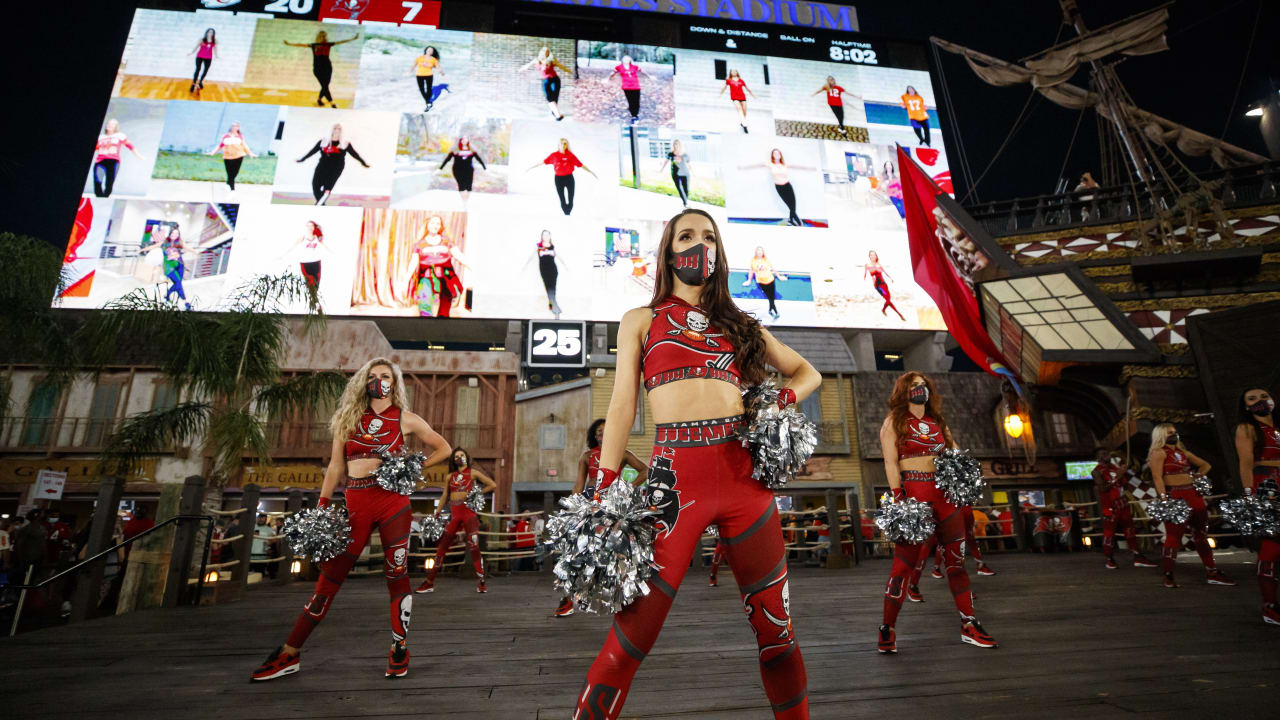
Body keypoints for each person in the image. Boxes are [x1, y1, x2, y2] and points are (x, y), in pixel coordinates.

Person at [573, 208, 817, 719]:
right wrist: (602, 489)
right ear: (668, 252)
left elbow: (806, 373)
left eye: (708, 237)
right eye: (686, 236)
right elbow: (622, 406)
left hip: (745, 481)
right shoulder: (641, 320)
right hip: (673, 486)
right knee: (627, 643)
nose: (698, 245)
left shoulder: (741, 325)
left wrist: (776, 404)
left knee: (777, 637)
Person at [251, 357, 452, 681]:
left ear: (394, 383)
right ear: (363, 381)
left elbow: (444, 448)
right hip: (356, 501)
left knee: (397, 574)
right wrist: (322, 505)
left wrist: (411, 466)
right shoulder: (348, 418)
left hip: (393, 502)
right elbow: (335, 467)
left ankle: (399, 648)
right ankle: (290, 652)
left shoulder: (406, 418)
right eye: (372, 376)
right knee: (330, 576)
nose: (378, 381)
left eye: (385, 376)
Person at [878, 372, 997, 653]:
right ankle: (887, 629)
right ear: (903, 390)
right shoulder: (894, 421)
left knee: (956, 563)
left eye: (923, 385)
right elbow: (890, 462)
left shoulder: (938, 421)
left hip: (945, 497)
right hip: (914, 495)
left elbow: (956, 453)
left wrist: (966, 482)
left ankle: (969, 623)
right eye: (914, 385)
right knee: (902, 568)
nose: (920, 389)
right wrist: (898, 497)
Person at [555, 418, 649, 617]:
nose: (602, 434)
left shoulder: (622, 453)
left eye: (606, 430)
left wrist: (627, 488)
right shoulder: (587, 456)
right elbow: (578, 485)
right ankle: (567, 599)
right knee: (577, 548)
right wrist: (570, 508)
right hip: (590, 502)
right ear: (594, 435)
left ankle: (624, 598)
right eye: (598, 431)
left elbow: (645, 470)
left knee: (618, 549)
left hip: (612, 504)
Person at [1147, 423, 1234, 589]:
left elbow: (1206, 465)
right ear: (1161, 435)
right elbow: (1157, 477)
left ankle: (1212, 572)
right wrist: (1164, 499)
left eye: (1174, 432)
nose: (1174, 434)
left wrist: (1196, 477)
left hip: (1194, 495)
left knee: (1201, 534)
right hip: (1175, 496)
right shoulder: (1158, 453)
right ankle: (1168, 575)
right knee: (1174, 537)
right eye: (1169, 432)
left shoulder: (1183, 452)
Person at [417, 447, 498, 594]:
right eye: (456, 456)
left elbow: (492, 484)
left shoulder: (473, 473)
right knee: (442, 547)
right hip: (454, 514)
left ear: (466, 457)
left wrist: (475, 494)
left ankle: (481, 582)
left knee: (474, 546)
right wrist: (437, 513)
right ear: (453, 460)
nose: (459, 457)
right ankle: (429, 582)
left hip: (468, 514)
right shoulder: (450, 476)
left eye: (461, 455)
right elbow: (444, 496)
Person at [1233, 387, 1280, 624]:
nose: (1259, 401)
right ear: (1246, 407)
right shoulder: (1247, 428)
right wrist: (1250, 495)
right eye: (1252, 399)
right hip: (1268, 484)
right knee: (1272, 543)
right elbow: (1245, 463)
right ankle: (1270, 605)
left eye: (1263, 396)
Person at [1092, 449, 1157, 569]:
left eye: (1107, 453)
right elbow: (1103, 489)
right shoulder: (1096, 471)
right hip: (1110, 505)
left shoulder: (1114, 467)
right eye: (1104, 454)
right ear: (1097, 458)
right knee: (1109, 532)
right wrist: (1118, 476)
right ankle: (1109, 559)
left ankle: (1138, 557)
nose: (1107, 456)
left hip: (1122, 502)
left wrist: (1123, 473)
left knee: (1129, 529)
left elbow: (1124, 486)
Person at [297, 123, 369, 206]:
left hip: (336, 168)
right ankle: (322, 204)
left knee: (327, 187)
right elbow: (313, 151)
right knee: (315, 185)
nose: (337, 130)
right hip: (322, 166)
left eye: (339, 129)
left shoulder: (345, 144)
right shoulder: (323, 142)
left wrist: (363, 162)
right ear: (332, 130)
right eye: (335, 128)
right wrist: (303, 159)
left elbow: (355, 154)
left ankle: (320, 204)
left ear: (342, 131)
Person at [284, 30, 359, 108]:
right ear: (319, 37)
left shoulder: (328, 44)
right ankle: (332, 103)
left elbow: (341, 42)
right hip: (317, 69)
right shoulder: (314, 45)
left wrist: (352, 39)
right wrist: (289, 44)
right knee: (325, 86)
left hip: (328, 67)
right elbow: (300, 45)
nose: (324, 37)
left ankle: (319, 100)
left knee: (325, 86)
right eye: (322, 36)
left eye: (325, 36)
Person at [738, 149, 813, 227]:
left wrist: (808, 168)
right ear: (772, 156)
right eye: (774, 153)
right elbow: (758, 165)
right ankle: (797, 221)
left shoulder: (785, 164)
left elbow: (797, 166)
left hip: (788, 186)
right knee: (790, 206)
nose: (776, 154)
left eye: (778, 153)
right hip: (779, 188)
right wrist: (743, 167)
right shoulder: (770, 164)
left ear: (780, 155)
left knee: (793, 206)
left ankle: (790, 221)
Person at [413, 215, 468, 318]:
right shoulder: (419, 244)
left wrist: (473, 268)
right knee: (424, 301)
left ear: (441, 226)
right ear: (427, 225)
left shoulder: (447, 241)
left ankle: (442, 321)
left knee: (445, 304)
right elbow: (413, 262)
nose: (435, 226)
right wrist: (406, 279)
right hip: (426, 276)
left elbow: (459, 255)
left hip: (446, 275)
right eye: (433, 223)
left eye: (438, 223)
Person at [527, 138, 597, 216]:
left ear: (567, 145)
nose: (563, 145)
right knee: (562, 199)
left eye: (565, 144)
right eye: (561, 143)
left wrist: (591, 172)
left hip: (569, 179)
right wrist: (531, 167)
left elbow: (580, 165)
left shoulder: (570, 155)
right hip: (558, 179)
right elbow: (543, 162)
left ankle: (568, 214)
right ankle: (566, 215)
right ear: (558, 145)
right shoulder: (554, 155)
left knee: (570, 200)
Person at [92, 119, 144, 198]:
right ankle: (99, 196)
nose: (110, 126)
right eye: (109, 124)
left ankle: (105, 196)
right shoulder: (101, 137)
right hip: (100, 161)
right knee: (97, 180)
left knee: (109, 182)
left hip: (113, 161)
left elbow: (130, 146)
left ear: (116, 127)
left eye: (112, 124)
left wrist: (139, 156)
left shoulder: (120, 136)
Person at [285, 221, 331, 303]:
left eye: (311, 226)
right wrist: (283, 255)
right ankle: (313, 301)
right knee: (310, 282)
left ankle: (314, 301)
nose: (310, 228)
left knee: (316, 282)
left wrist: (334, 254)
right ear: (306, 227)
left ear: (314, 227)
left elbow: (326, 246)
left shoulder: (317, 238)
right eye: (308, 226)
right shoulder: (302, 238)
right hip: (305, 263)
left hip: (316, 262)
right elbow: (292, 247)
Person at [520, 47, 571, 121]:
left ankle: (556, 114)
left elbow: (562, 67)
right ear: (542, 53)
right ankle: (558, 115)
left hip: (555, 80)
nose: (547, 53)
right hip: (546, 81)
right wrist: (522, 69)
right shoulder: (536, 60)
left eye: (548, 52)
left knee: (554, 98)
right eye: (545, 52)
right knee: (549, 98)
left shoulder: (552, 60)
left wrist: (569, 71)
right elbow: (528, 65)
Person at [522, 230, 565, 319]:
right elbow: (531, 255)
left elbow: (559, 256)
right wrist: (525, 265)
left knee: (553, 288)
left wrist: (565, 265)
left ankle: (552, 306)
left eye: (547, 235)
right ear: (542, 236)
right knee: (548, 288)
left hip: (553, 270)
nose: (546, 237)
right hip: (544, 270)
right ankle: (554, 308)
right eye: (544, 235)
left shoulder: (552, 246)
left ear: (550, 236)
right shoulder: (539, 246)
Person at [206, 122, 255, 191]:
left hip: (238, 156)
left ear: (238, 128)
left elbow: (244, 146)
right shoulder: (226, 136)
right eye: (234, 126)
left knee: (235, 172)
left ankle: (229, 186)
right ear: (231, 127)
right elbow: (220, 145)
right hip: (228, 157)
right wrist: (213, 153)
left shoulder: (240, 136)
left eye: (237, 126)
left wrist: (250, 153)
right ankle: (231, 188)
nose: (235, 127)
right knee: (229, 173)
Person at [438, 137, 486, 206]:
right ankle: (464, 201)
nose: (464, 141)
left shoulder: (472, 151)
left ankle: (466, 200)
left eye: (466, 139)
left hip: (469, 171)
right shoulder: (455, 151)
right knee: (461, 185)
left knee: (469, 186)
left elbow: (479, 159)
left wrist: (484, 168)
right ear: (460, 141)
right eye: (463, 139)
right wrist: (440, 168)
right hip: (458, 170)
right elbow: (447, 159)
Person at [743, 246, 784, 320]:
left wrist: (779, 276)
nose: (759, 252)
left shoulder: (766, 259)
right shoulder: (753, 261)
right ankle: (773, 310)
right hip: (761, 282)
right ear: (756, 252)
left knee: (772, 297)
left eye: (761, 251)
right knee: (769, 296)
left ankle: (772, 310)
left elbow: (773, 268)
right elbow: (751, 271)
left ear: (763, 252)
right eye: (758, 250)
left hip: (770, 280)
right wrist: (749, 280)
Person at [863, 251, 905, 321]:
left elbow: (885, 272)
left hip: (884, 284)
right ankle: (900, 314)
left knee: (888, 299)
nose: (873, 256)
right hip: (878, 286)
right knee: (887, 300)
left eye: (874, 255)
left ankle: (883, 310)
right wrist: (867, 280)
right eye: (871, 255)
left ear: (876, 256)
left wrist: (890, 278)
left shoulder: (878, 265)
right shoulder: (867, 265)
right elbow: (865, 275)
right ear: (869, 256)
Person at [608, 54, 649, 124]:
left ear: (630, 60)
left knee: (636, 101)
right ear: (622, 60)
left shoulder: (634, 67)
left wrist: (650, 76)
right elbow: (612, 73)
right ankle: (633, 115)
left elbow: (643, 71)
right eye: (625, 59)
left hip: (636, 86)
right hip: (626, 87)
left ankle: (635, 114)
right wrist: (608, 79)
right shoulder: (619, 67)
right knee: (630, 101)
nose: (626, 60)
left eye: (627, 59)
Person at [161, 226, 191, 311]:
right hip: (170, 267)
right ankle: (186, 302)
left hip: (180, 265)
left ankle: (167, 295)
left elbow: (181, 253)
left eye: (177, 233)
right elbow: (166, 256)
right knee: (178, 283)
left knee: (177, 283)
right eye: (173, 233)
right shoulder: (165, 243)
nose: (175, 234)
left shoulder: (179, 243)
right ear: (170, 233)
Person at [718, 68, 755, 133]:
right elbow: (725, 87)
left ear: (737, 72)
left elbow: (747, 88)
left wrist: (753, 95)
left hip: (742, 97)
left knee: (744, 111)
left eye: (735, 71)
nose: (734, 72)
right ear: (730, 73)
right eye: (732, 71)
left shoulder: (741, 80)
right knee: (739, 109)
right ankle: (745, 125)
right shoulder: (729, 80)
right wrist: (720, 93)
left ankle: (742, 122)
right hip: (734, 97)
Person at [658, 139, 692, 207]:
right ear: (673, 145)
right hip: (675, 174)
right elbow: (666, 162)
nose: (676, 145)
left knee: (686, 189)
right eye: (675, 144)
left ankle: (685, 200)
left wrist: (693, 173)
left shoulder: (685, 155)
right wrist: (661, 170)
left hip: (685, 174)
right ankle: (685, 203)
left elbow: (689, 164)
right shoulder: (671, 154)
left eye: (677, 144)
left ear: (680, 145)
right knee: (679, 188)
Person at [411, 46, 443, 112]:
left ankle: (428, 103)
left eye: (431, 50)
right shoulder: (419, 58)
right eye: (428, 50)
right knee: (421, 89)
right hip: (419, 75)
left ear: (432, 52)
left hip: (429, 75)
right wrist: (409, 71)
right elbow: (414, 65)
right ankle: (428, 102)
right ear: (426, 50)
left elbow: (438, 67)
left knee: (429, 89)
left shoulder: (434, 59)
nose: (429, 51)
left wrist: (441, 72)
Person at [188, 28, 217, 93]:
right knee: (197, 69)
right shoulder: (202, 40)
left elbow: (215, 49)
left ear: (213, 34)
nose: (210, 33)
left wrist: (217, 56)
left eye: (211, 32)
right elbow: (196, 47)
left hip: (208, 57)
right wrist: (191, 52)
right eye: (209, 32)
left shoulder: (214, 41)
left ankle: (200, 82)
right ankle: (193, 84)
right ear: (206, 32)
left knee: (206, 70)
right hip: (200, 56)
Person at [251, 513, 278, 580]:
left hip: (262, 555)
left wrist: (270, 542)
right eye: (259, 518)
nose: (261, 520)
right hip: (250, 554)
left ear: (265, 520)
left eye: (263, 519)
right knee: (247, 573)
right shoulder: (251, 527)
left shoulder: (269, 529)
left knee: (260, 573)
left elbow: (274, 540)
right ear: (257, 518)